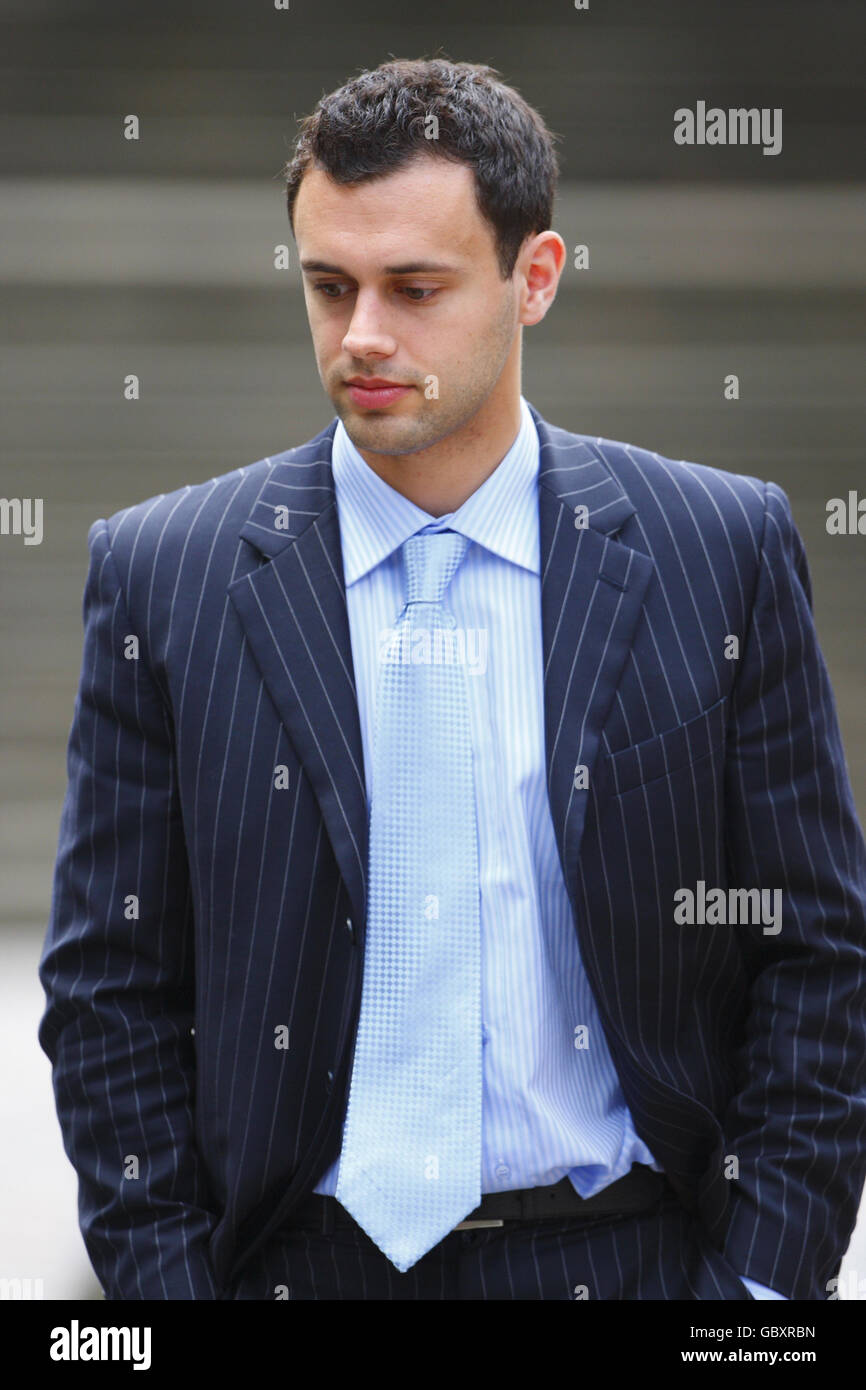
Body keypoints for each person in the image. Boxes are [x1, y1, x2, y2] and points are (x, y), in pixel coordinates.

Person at [38, 56, 866, 1301]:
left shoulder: (718, 547)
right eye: (328, 287)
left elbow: (813, 955)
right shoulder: (166, 574)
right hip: (293, 1269)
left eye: (413, 288)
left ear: (532, 278)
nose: (362, 335)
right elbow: (110, 987)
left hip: (627, 1260)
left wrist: (753, 1304)